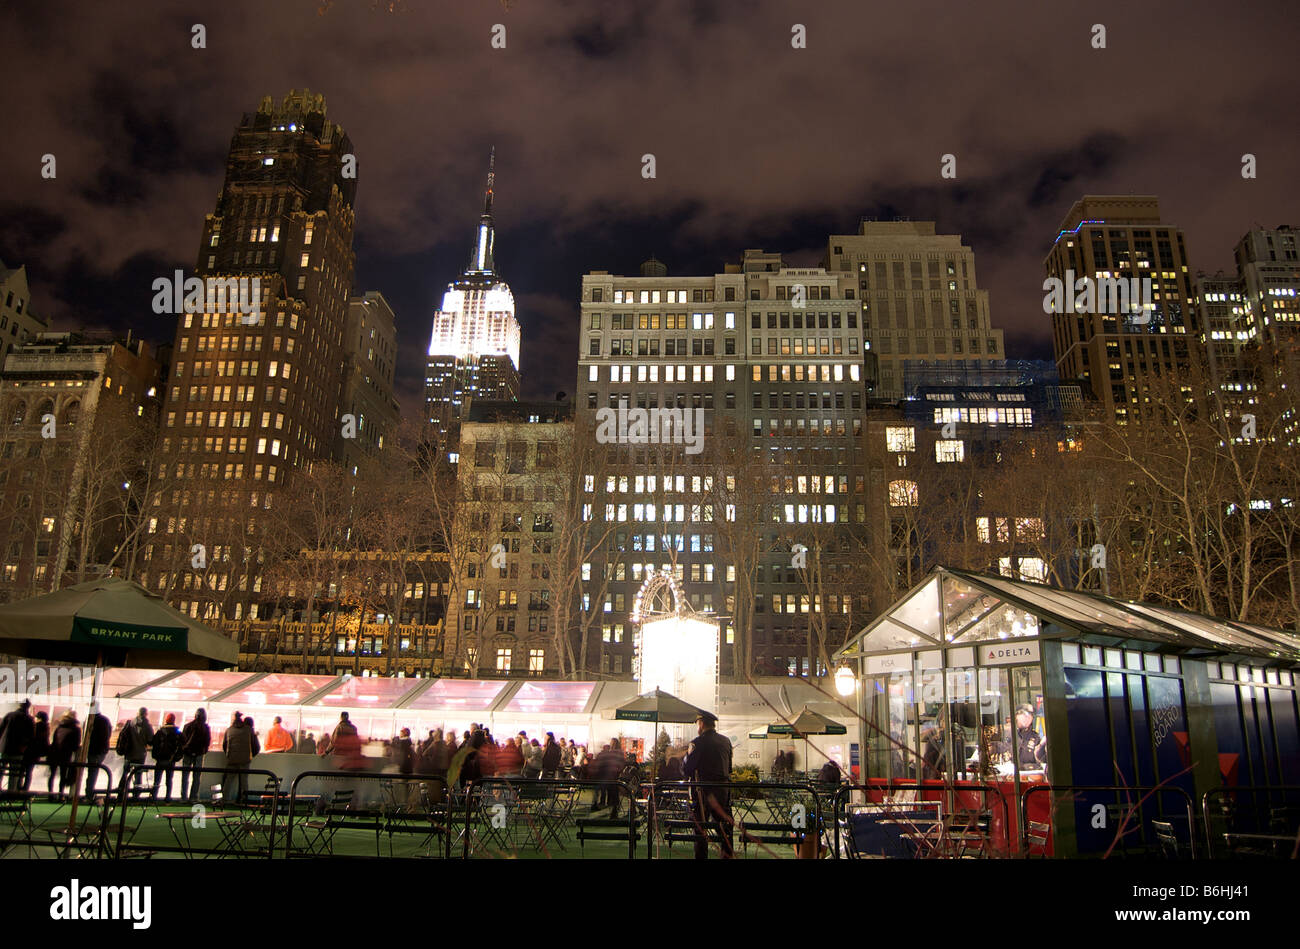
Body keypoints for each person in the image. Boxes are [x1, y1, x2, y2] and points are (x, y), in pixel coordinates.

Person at [681, 711, 733, 860]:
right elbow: (729, 768)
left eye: (698, 724)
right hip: (723, 791)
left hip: (703, 792)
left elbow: (687, 769)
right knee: (725, 829)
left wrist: (686, 757)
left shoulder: (697, 743)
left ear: (701, 724)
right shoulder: (726, 741)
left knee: (700, 829)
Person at [0, 700, 34, 792]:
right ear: (28, 707)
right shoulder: (29, 719)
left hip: (4, 748)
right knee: (14, 774)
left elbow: (1, 730)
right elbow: (31, 736)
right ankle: (11, 793)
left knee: (1, 771)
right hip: (18, 750)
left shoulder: (9, 715)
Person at [116, 708, 154, 791]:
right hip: (140, 754)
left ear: (138, 713)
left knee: (125, 773)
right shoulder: (148, 726)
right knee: (138, 774)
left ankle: (121, 791)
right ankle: (136, 795)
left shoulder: (130, 723)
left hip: (129, 752)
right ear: (146, 714)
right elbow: (150, 741)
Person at [221, 711, 253, 803]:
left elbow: (224, 745)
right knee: (244, 781)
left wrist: (229, 755)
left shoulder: (229, 729)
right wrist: (250, 755)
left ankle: (225, 798)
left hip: (232, 758)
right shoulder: (248, 730)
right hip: (245, 759)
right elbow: (254, 745)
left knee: (229, 780)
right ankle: (244, 799)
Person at [48, 710, 81, 799]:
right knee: (63, 775)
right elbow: (76, 745)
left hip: (54, 753)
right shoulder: (76, 729)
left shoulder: (58, 727)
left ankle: (50, 794)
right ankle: (61, 794)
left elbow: (53, 740)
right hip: (66, 754)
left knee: (52, 774)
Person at [180, 708, 210, 803]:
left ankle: (183, 797)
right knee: (196, 777)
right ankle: (193, 797)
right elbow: (207, 741)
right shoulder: (205, 728)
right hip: (199, 754)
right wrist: (203, 750)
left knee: (185, 776)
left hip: (187, 753)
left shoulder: (187, 726)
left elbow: (182, 740)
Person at [150, 713, 183, 800]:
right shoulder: (177, 732)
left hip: (160, 759)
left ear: (166, 720)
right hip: (171, 759)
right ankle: (168, 798)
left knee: (157, 780)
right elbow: (182, 744)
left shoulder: (160, 732)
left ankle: (154, 797)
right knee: (169, 780)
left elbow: (154, 743)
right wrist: (176, 757)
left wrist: (156, 755)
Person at [84, 709, 112, 799]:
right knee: (93, 771)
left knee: (92, 771)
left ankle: (89, 793)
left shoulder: (92, 720)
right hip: (100, 750)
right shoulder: (105, 720)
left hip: (94, 749)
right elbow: (108, 734)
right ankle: (89, 792)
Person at [1014, 704, 1047, 771]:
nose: (1028, 718)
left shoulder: (1036, 738)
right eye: (1025, 715)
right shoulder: (1006, 733)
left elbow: (1040, 764)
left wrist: (1023, 767)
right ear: (1016, 716)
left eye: (1031, 715)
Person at [25, 710, 49, 793]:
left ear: (38, 718)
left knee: (22, 771)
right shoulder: (46, 727)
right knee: (29, 772)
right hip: (36, 753)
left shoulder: (36, 726)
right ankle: (25, 788)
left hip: (29, 751)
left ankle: (20, 789)